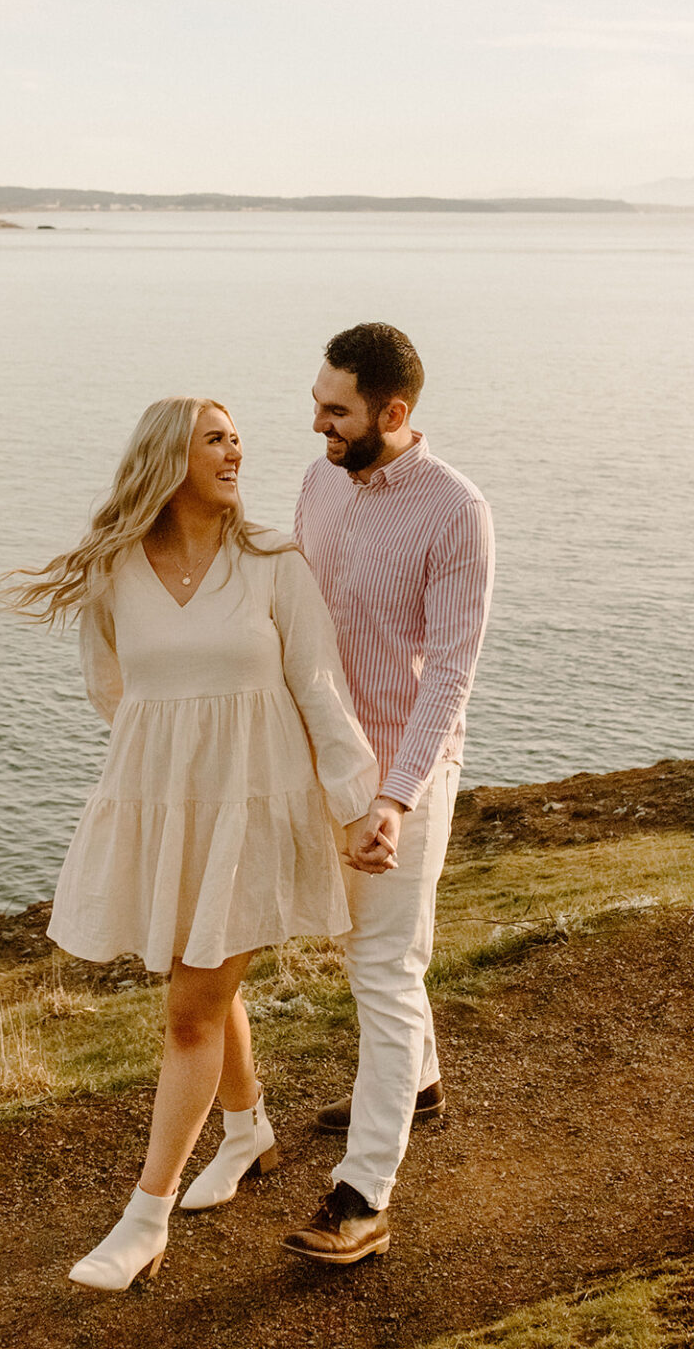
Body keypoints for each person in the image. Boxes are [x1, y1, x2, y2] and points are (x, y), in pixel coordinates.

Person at [3, 396, 377, 1291]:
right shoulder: (113, 570)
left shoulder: (274, 563)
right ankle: (247, 1131)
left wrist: (358, 805)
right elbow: (113, 690)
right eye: (216, 438)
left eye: (238, 436)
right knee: (193, 974)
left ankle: (145, 1218)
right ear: (169, 460)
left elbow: (319, 688)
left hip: (257, 809)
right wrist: (169, 772)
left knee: (188, 1010)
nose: (236, 449)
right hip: (169, 809)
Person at [282, 323, 495, 1265]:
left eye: (336, 409)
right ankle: (420, 1084)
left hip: (408, 771)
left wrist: (397, 799)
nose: (316, 423)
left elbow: (451, 673)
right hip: (329, 762)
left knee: (383, 966)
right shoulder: (321, 479)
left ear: (393, 413)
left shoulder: (456, 512)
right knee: (369, 947)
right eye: (318, 401)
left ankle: (362, 1193)